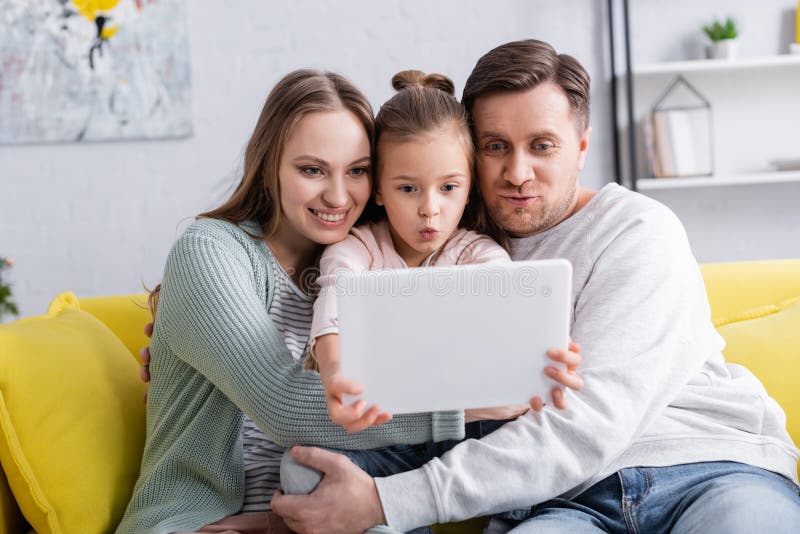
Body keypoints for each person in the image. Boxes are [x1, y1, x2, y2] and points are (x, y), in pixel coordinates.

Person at [269, 39, 800, 534]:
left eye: (542, 146)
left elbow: (590, 421)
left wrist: (390, 500)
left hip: (706, 466)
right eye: (496, 146)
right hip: (563, 504)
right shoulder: (447, 247)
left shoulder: (637, 229)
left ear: (582, 146)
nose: (517, 172)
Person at [122, 67, 578, 534]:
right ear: (269, 164)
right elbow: (284, 407)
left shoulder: (363, 263)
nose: (338, 196)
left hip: (323, 516)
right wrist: (467, 407)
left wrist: (523, 362)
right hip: (204, 521)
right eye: (312, 170)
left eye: (356, 171)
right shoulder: (212, 250)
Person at [280, 69, 582, 526]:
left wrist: (541, 359)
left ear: (469, 187)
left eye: (448, 188)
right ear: (378, 190)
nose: (429, 209)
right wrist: (336, 371)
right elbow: (333, 309)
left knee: (526, 456)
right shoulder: (356, 250)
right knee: (300, 468)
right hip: (389, 442)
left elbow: (511, 328)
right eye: (408, 189)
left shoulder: (479, 254)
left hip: (475, 437)